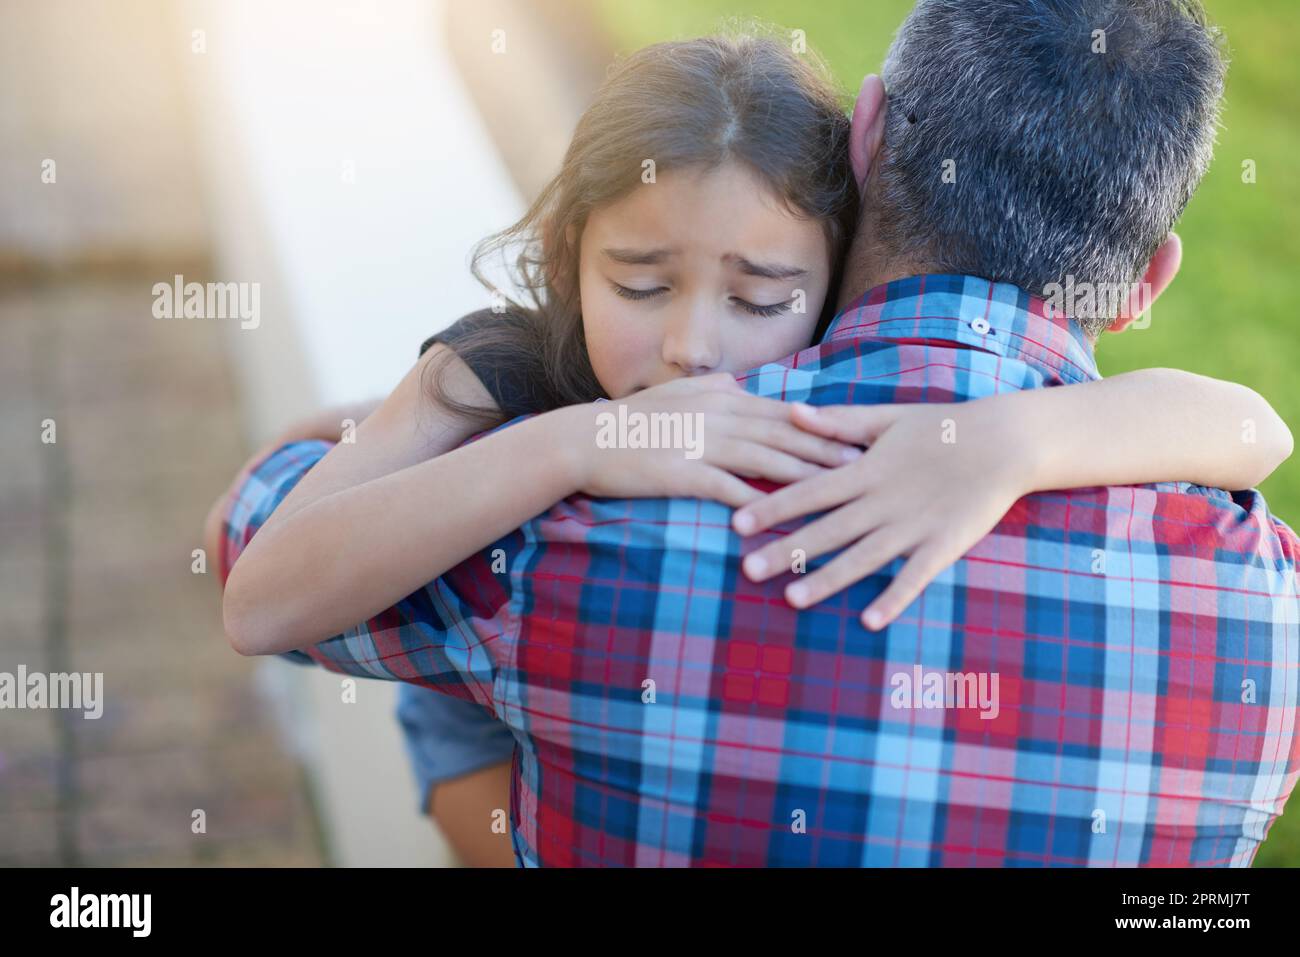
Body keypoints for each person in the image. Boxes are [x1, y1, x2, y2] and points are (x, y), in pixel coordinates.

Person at [209, 3, 1298, 866]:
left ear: (862, 148)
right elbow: (1253, 429)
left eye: (757, 293)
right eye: (641, 281)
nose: (693, 350)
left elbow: (251, 547)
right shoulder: (1268, 612)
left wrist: (1018, 442)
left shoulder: (558, 539)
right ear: (1150, 280)